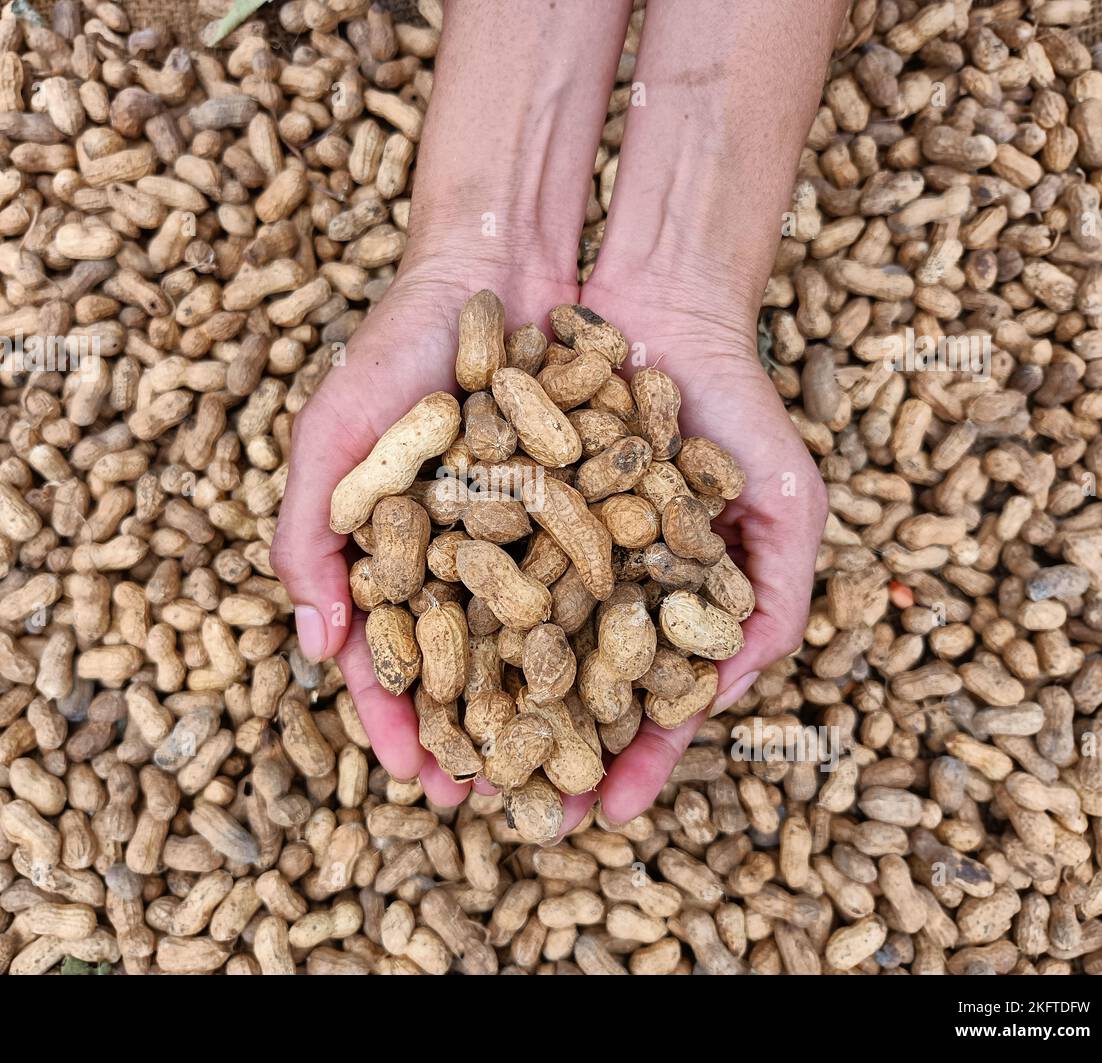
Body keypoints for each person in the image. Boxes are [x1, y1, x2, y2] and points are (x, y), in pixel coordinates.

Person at [270, 0, 842, 835]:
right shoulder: (496, 502)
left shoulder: (579, 506)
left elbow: (572, 511)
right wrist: (473, 250)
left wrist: (689, 288)